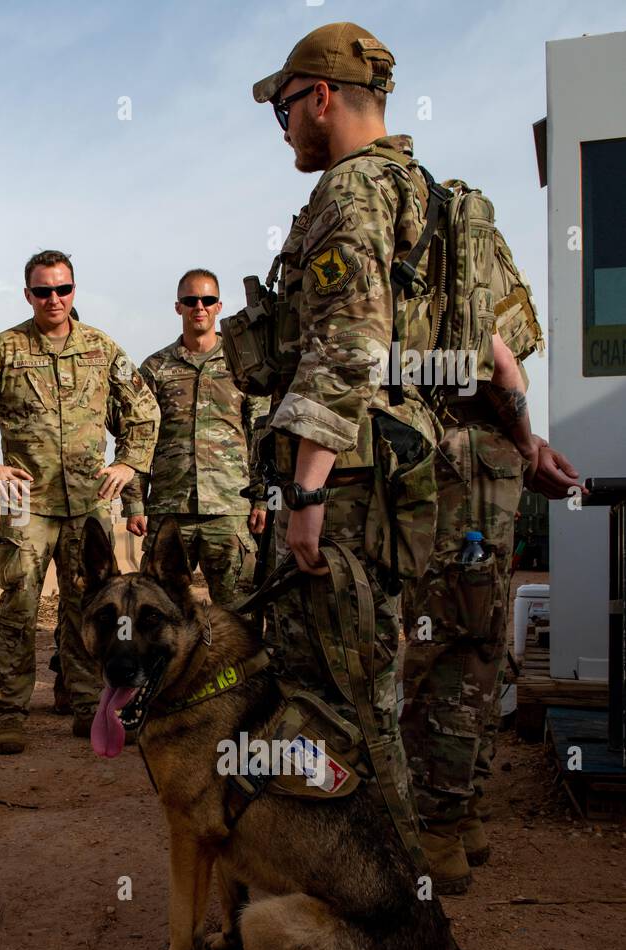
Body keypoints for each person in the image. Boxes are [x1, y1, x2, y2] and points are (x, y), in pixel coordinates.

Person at [245, 23, 446, 869]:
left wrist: (307, 493)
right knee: (369, 685)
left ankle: (374, 901)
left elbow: (350, 341)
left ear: (320, 97)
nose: (284, 126)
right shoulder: (427, 191)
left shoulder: (352, 192)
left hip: (351, 480)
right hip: (395, 467)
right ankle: (395, 890)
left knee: (331, 694)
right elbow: (481, 340)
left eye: (285, 108)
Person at [400, 234, 583, 892]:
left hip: (451, 467)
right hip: (489, 468)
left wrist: (526, 444)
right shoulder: (475, 243)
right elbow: (505, 368)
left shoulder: (423, 245)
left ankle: (438, 831)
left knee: (441, 652)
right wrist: (525, 446)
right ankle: (466, 816)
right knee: (477, 647)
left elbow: (499, 363)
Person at [0, 250, 159, 754]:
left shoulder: (101, 348)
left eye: (63, 289)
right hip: (26, 506)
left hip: (89, 505)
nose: (53, 299)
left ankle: (87, 706)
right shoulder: (6, 349)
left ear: (75, 291)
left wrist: (130, 463)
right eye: (42, 291)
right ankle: (9, 712)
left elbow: (143, 410)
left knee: (89, 611)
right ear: (27, 294)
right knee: (18, 608)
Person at [122, 268, 270, 605]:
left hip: (230, 510)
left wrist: (262, 498)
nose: (198, 307)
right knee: (160, 611)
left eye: (207, 300)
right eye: (190, 301)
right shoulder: (155, 368)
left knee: (238, 613)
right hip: (170, 511)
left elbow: (260, 431)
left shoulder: (243, 363)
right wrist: (134, 503)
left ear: (219, 306)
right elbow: (138, 436)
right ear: (179, 308)